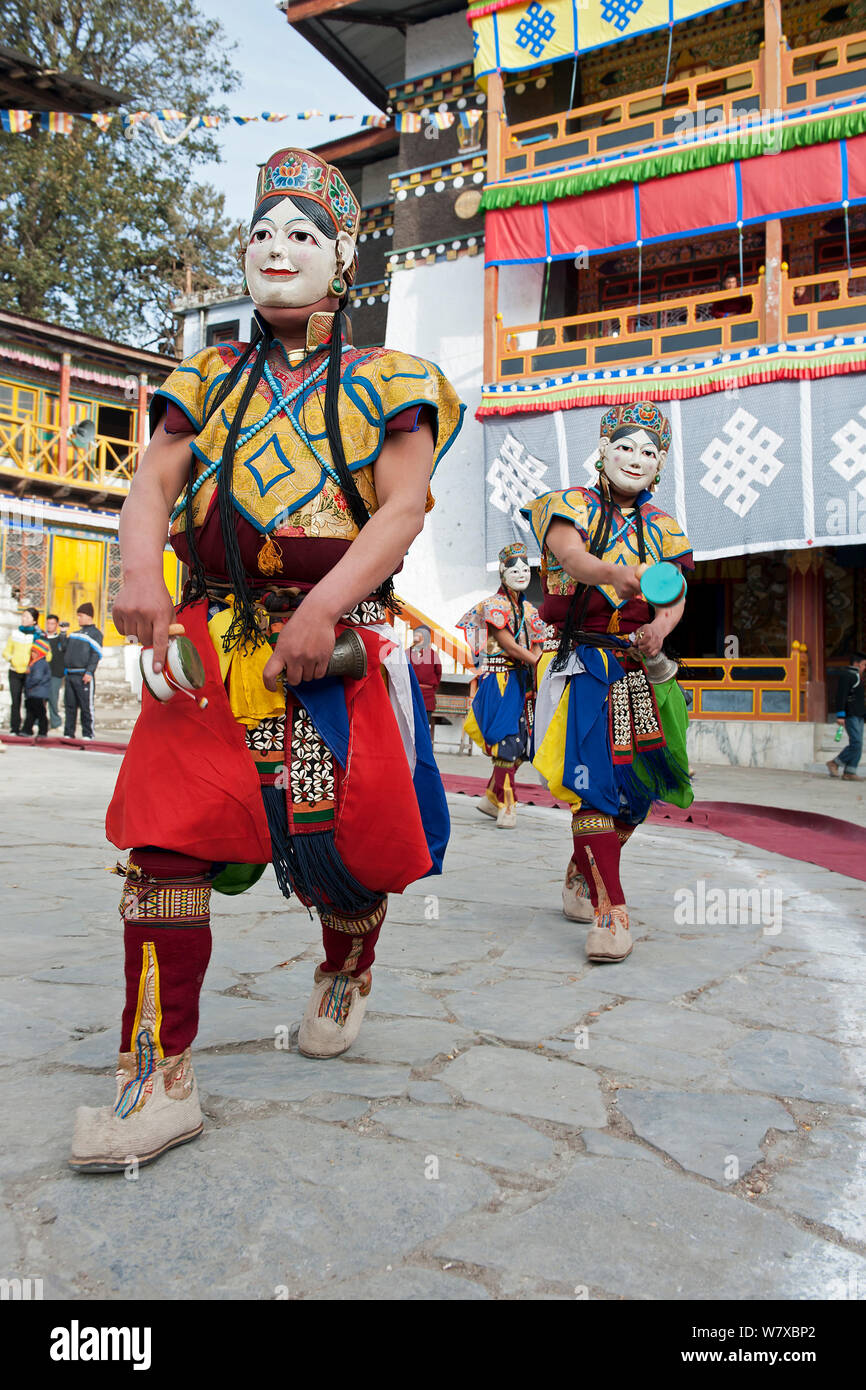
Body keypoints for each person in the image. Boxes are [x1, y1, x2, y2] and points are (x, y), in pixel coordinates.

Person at [69, 146, 463, 1173]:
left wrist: (326, 605)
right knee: (161, 845)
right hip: (211, 639)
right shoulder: (203, 376)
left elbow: (403, 508)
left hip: (328, 650)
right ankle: (156, 1075)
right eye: (258, 232)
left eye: (300, 234)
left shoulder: (394, 381)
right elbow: (155, 484)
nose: (274, 249)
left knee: (341, 853)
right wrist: (139, 571)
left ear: (343, 257)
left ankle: (346, 960)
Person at [521, 402, 694, 963]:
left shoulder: (666, 528)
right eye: (625, 446)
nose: (636, 459)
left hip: (637, 670)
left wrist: (661, 631)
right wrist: (614, 572)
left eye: (649, 450)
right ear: (602, 449)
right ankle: (610, 911)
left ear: (662, 461)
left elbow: (674, 597)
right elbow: (571, 559)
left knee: (637, 793)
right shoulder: (568, 505)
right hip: (583, 666)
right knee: (594, 787)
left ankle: (583, 868)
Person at [457, 542, 546, 828]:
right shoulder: (493, 606)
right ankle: (508, 805)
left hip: (522, 681)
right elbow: (506, 642)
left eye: (525, 569)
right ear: (502, 573)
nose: (521, 573)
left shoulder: (530, 609)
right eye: (514, 569)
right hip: (500, 680)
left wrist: (539, 660)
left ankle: (491, 798)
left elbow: (539, 642)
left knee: (521, 747)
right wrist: (535, 660)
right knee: (507, 742)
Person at [63, 603, 102, 740]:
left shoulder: (95, 634)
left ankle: (87, 734)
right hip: (70, 674)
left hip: (83, 675)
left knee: (86, 706)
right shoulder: (74, 634)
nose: (78, 619)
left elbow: (96, 654)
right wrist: (63, 634)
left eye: (80, 616)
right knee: (70, 705)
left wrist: (89, 671)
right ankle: (68, 733)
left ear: (89, 616)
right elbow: (63, 648)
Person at [828, 650, 866, 781]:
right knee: (856, 743)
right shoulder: (848, 675)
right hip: (850, 715)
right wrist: (840, 715)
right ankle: (835, 763)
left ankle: (850, 771)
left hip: (859, 715)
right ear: (856, 664)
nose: (864, 668)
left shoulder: (858, 677)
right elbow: (841, 696)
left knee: (858, 744)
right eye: (863, 665)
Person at [3, 607, 42, 735]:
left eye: (27, 617)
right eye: (23, 616)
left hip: (29, 673)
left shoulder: (38, 636)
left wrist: (31, 666)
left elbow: (44, 655)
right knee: (15, 701)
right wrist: (12, 660)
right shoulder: (15, 634)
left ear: (34, 621)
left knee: (29, 701)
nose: (23, 619)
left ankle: (27, 728)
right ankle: (14, 728)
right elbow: (6, 652)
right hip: (14, 671)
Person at [408, 625, 442, 739]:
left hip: (427, 696)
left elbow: (438, 674)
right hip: (410, 695)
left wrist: (430, 688)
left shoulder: (433, 655)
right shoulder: (406, 653)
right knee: (409, 725)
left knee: (424, 725)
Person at [22, 625, 52, 737]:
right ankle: (27, 730)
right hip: (33, 692)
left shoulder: (40, 663)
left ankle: (43, 731)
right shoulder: (34, 663)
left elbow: (37, 678)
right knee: (30, 713)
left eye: (34, 652)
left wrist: (28, 685)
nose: (32, 654)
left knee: (40, 713)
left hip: (38, 693)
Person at [44, 613, 68, 731]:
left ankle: (56, 723)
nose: (50, 626)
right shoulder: (42, 638)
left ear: (56, 625)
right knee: (40, 699)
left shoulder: (60, 639)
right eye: (48, 623)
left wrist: (64, 633)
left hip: (55, 674)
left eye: (52, 623)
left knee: (53, 699)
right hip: (42, 674)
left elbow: (65, 649)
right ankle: (40, 721)